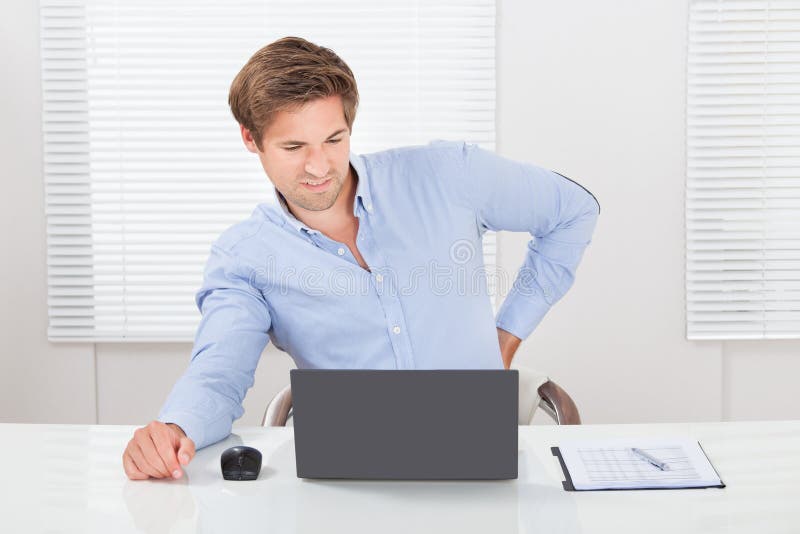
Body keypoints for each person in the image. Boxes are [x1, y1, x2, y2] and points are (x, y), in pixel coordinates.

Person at [122, 36, 600, 480]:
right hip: (348, 484)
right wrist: (174, 429)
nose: (319, 166)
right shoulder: (246, 257)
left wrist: (506, 336)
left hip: (478, 471)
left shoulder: (446, 175)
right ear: (251, 139)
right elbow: (218, 374)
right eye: (293, 147)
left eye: (334, 139)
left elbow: (573, 211)